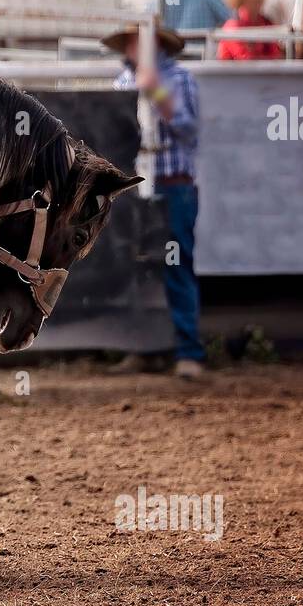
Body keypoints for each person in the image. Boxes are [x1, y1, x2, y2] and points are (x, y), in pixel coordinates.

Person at [103, 22, 206, 380]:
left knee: (176, 266)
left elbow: (189, 129)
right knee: (135, 267)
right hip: (135, 189)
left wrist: (156, 94)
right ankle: (143, 348)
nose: (131, 48)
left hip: (173, 185)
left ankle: (187, 351)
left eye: (137, 42)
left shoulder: (180, 79)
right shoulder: (120, 84)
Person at [217, 0, 284, 61]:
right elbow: (244, 58)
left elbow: (275, 53)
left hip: (265, 71)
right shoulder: (232, 26)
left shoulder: (266, 22)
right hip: (236, 72)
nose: (259, 1)